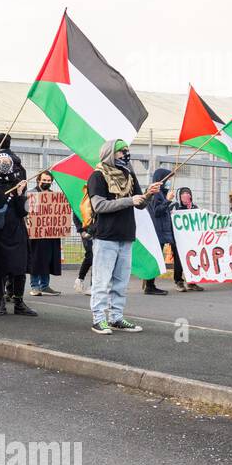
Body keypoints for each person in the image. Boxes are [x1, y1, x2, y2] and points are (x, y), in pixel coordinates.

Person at [86, 139, 161, 334]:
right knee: (102, 280)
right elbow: (99, 206)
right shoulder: (97, 176)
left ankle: (116, 317)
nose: (126, 154)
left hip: (126, 235)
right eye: (121, 151)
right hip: (105, 236)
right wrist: (129, 200)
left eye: (127, 151)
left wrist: (149, 194)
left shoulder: (129, 175)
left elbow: (140, 204)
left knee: (121, 281)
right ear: (110, 153)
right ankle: (99, 319)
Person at [0, 152, 37, 316]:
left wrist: (20, 195)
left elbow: (23, 212)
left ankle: (19, 302)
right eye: (2, 162)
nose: (5, 165)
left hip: (17, 231)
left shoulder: (17, 183)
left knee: (19, 268)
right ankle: (1, 302)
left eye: (7, 162)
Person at [26, 170, 63, 296]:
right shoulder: (31, 194)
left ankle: (45, 285)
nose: (46, 182)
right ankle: (35, 286)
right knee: (36, 259)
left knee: (48, 258)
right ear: (38, 180)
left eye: (49, 181)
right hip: (35, 233)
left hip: (49, 233)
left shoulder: (54, 196)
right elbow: (26, 211)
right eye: (44, 180)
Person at [164, 184, 203, 292]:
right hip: (177, 240)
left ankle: (192, 282)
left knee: (193, 260)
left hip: (192, 240)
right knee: (179, 261)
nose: (186, 198)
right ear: (179, 197)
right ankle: (179, 282)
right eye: (183, 196)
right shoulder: (174, 207)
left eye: (188, 196)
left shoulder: (195, 208)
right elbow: (168, 222)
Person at [141, 167, 173, 295]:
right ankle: (150, 285)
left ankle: (150, 284)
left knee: (156, 258)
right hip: (156, 231)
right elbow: (157, 211)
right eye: (168, 179)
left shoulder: (161, 193)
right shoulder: (156, 193)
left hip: (160, 231)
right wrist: (168, 201)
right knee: (155, 259)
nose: (169, 182)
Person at [72, 197, 94, 294]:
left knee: (96, 257)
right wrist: (81, 231)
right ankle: (80, 279)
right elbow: (76, 213)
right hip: (87, 231)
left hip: (99, 231)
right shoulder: (82, 198)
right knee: (90, 255)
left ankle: (93, 285)